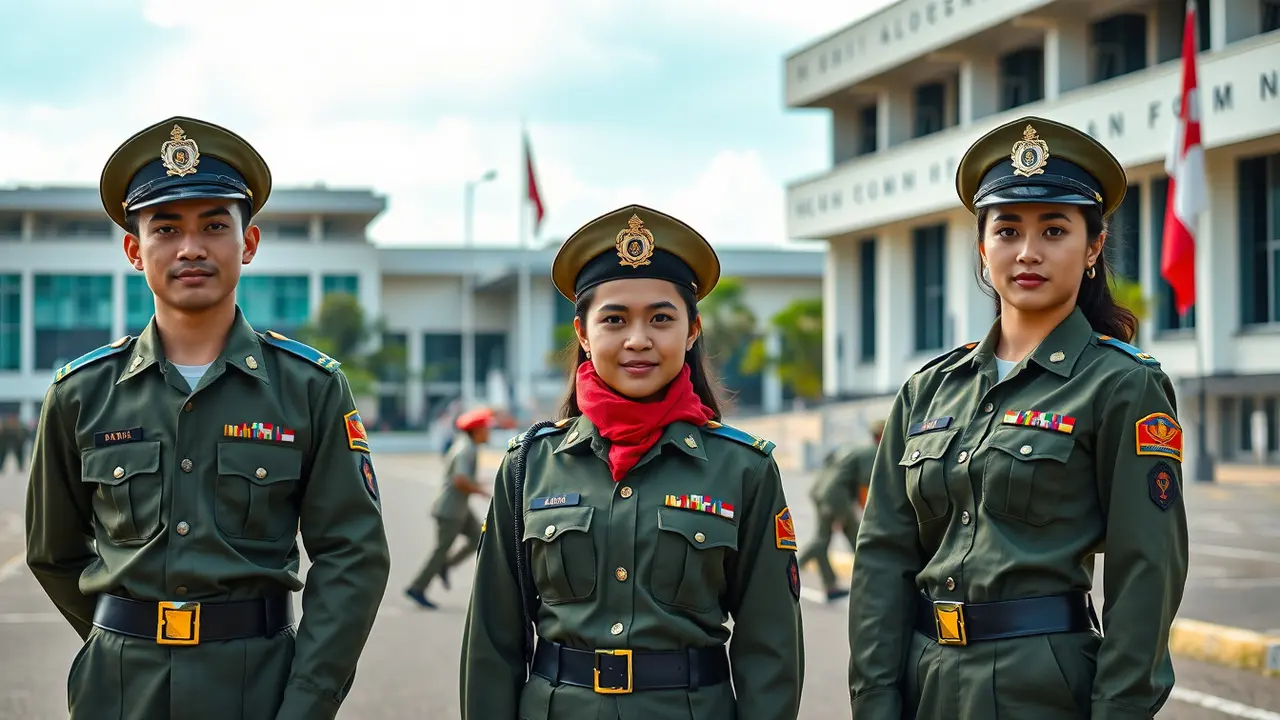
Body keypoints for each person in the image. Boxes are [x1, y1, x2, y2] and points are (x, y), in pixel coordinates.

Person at [24, 116, 392, 720]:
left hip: (258, 689)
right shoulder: (81, 394)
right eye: (165, 228)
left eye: (214, 226)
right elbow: (52, 551)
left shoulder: (309, 388)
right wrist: (119, 634)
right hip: (118, 690)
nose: (191, 247)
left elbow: (353, 554)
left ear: (247, 243)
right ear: (134, 250)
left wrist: (307, 699)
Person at [847, 116, 1190, 719]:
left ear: (1092, 248)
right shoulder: (928, 390)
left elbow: (1147, 574)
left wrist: (1117, 711)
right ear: (983, 248)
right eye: (1007, 230)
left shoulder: (1122, 385)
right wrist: (876, 700)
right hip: (925, 682)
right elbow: (883, 559)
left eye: (1054, 229)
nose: (1028, 252)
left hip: (1044, 689)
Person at [459, 205, 804, 720]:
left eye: (661, 318)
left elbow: (770, 648)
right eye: (614, 319)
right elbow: (493, 640)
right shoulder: (529, 465)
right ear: (582, 333)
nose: (638, 339)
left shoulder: (743, 469)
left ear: (691, 332)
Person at [405, 405, 494, 609]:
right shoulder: (466, 449)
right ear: (477, 430)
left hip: (460, 508)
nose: (488, 433)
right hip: (451, 510)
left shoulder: (468, 445)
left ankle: (446, 565)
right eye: (486, 428)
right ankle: (417, 587)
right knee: (440, 550)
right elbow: (460, 480)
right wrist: (480, 490)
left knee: (478, 537)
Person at [796, 418, 883, 602]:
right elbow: (864, 486)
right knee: (856, 538)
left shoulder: (854, 448)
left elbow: (829, 459)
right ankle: (790, 570)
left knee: (826, 539)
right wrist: (865, 512)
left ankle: (830, 585)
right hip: (836, 497)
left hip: (821, 490)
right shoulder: (872, 452)